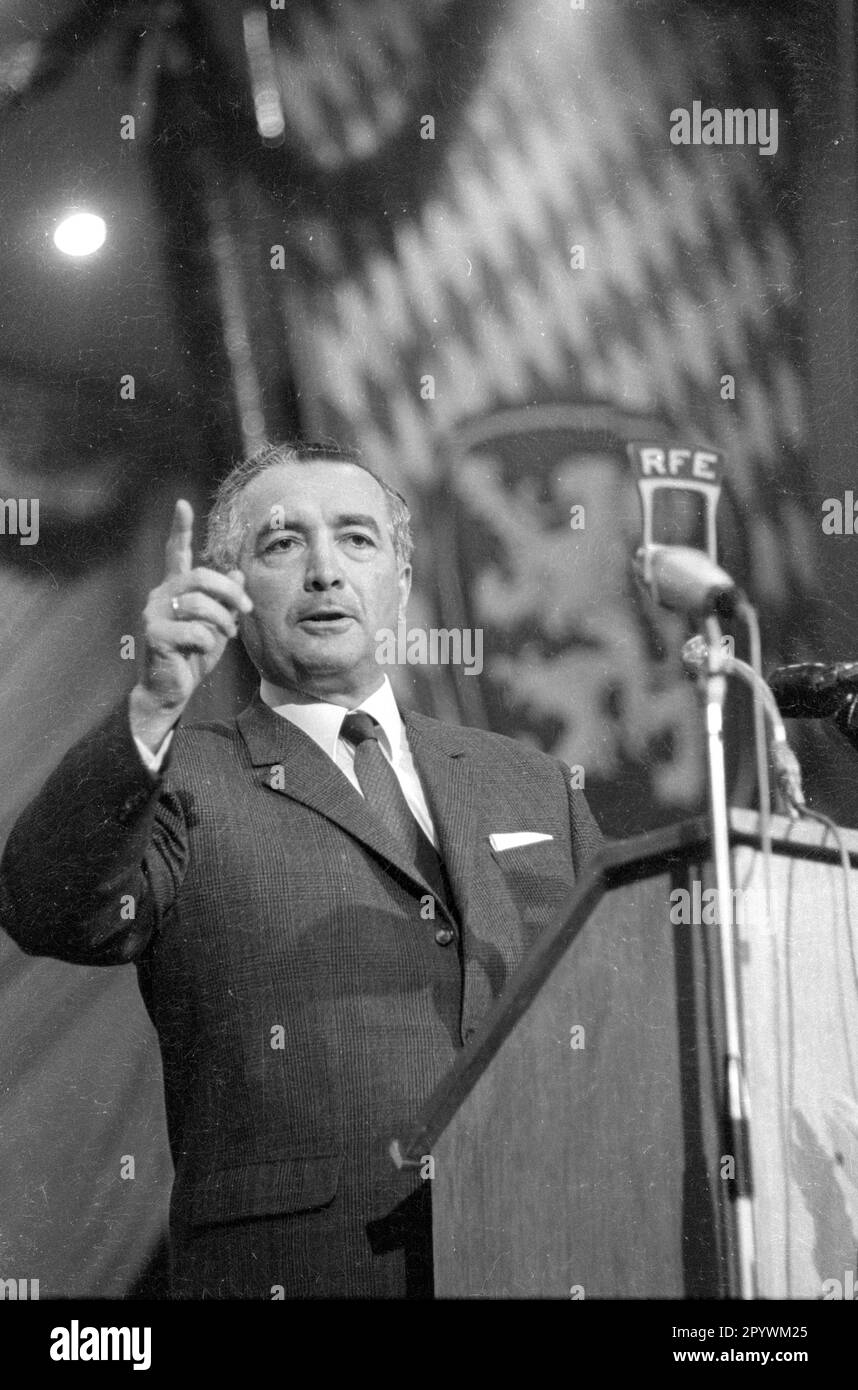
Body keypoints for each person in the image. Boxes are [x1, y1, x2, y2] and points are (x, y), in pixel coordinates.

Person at [0, 440, 602, 1298]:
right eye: (283, 544)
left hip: (538, 1256)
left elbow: (614, 1008)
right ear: (230, 589)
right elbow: (46, 904)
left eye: (356, 540)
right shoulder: (180, 775)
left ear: (401, 573)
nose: (325, 570)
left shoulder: (533, 784)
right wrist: (154, 704)